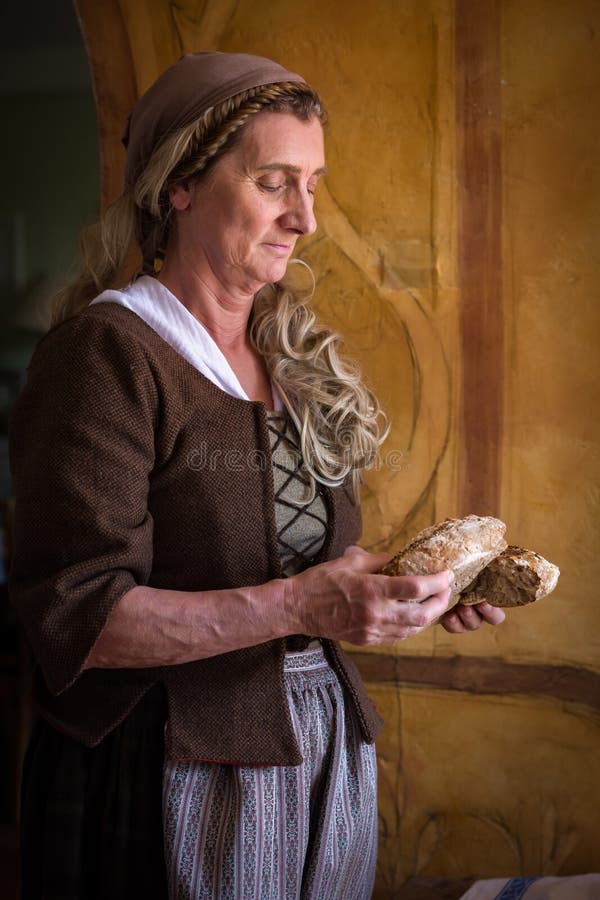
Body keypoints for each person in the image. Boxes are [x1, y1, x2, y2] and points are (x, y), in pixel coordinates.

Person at [9, 51, 505, 900]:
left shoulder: (286, 354)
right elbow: (74, 617)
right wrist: (306, 605)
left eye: (312, 184)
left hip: (317, 754)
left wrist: (408, 586)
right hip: (173, 771)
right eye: (276, 182)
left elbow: (290, 561)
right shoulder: (108, 356)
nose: (305, 217)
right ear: (180, 186)